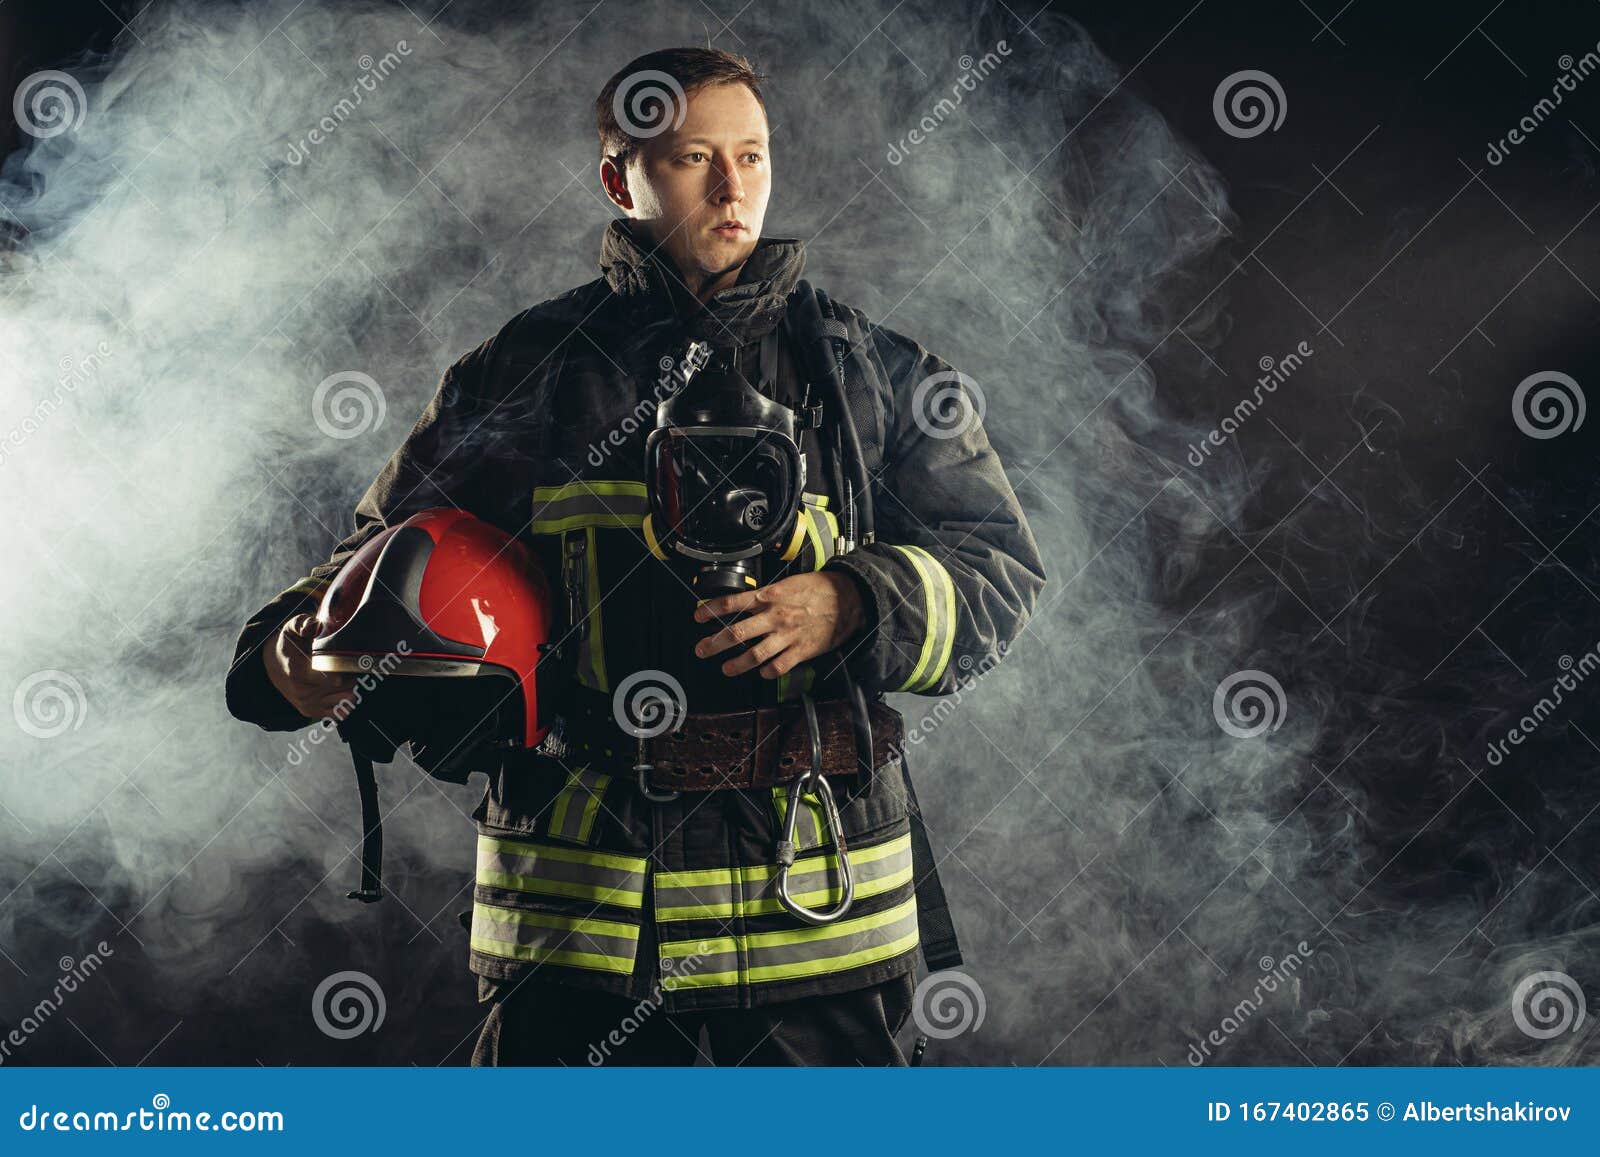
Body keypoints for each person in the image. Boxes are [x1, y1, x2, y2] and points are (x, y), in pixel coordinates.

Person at [225, 45, 1046, 1066]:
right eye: (695, 156)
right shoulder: (519, 374)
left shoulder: (873, 373)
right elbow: (372, 561)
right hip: (580, 926)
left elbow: (1000, 566)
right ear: (621, 178)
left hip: (813, 911)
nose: (733, 184)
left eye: (751, 154)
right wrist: (291, 657)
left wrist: (853, 600)